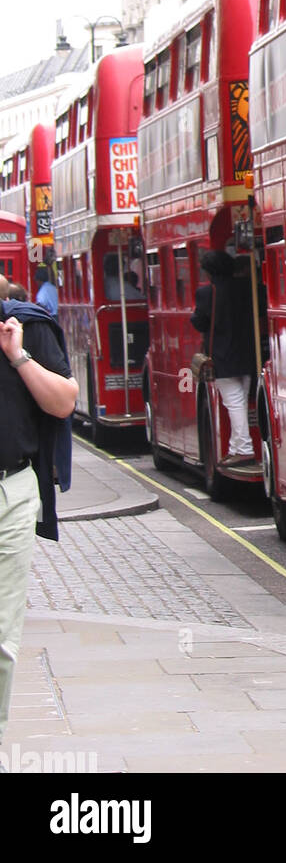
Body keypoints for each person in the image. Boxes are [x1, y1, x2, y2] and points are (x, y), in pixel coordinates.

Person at [0, 296, 77, 753]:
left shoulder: (27, 326)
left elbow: (65, 402)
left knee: (1, 637)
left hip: (10, 491)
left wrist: (18, 357)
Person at [190, 249, 257, 465]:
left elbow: (199, 322)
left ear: (209, 272)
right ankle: (235, 447)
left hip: (222, 355)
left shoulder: (207, 293)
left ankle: (244, 448)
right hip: (248, 352)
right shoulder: (248, 287)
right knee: (241, 402)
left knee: (234, 403)